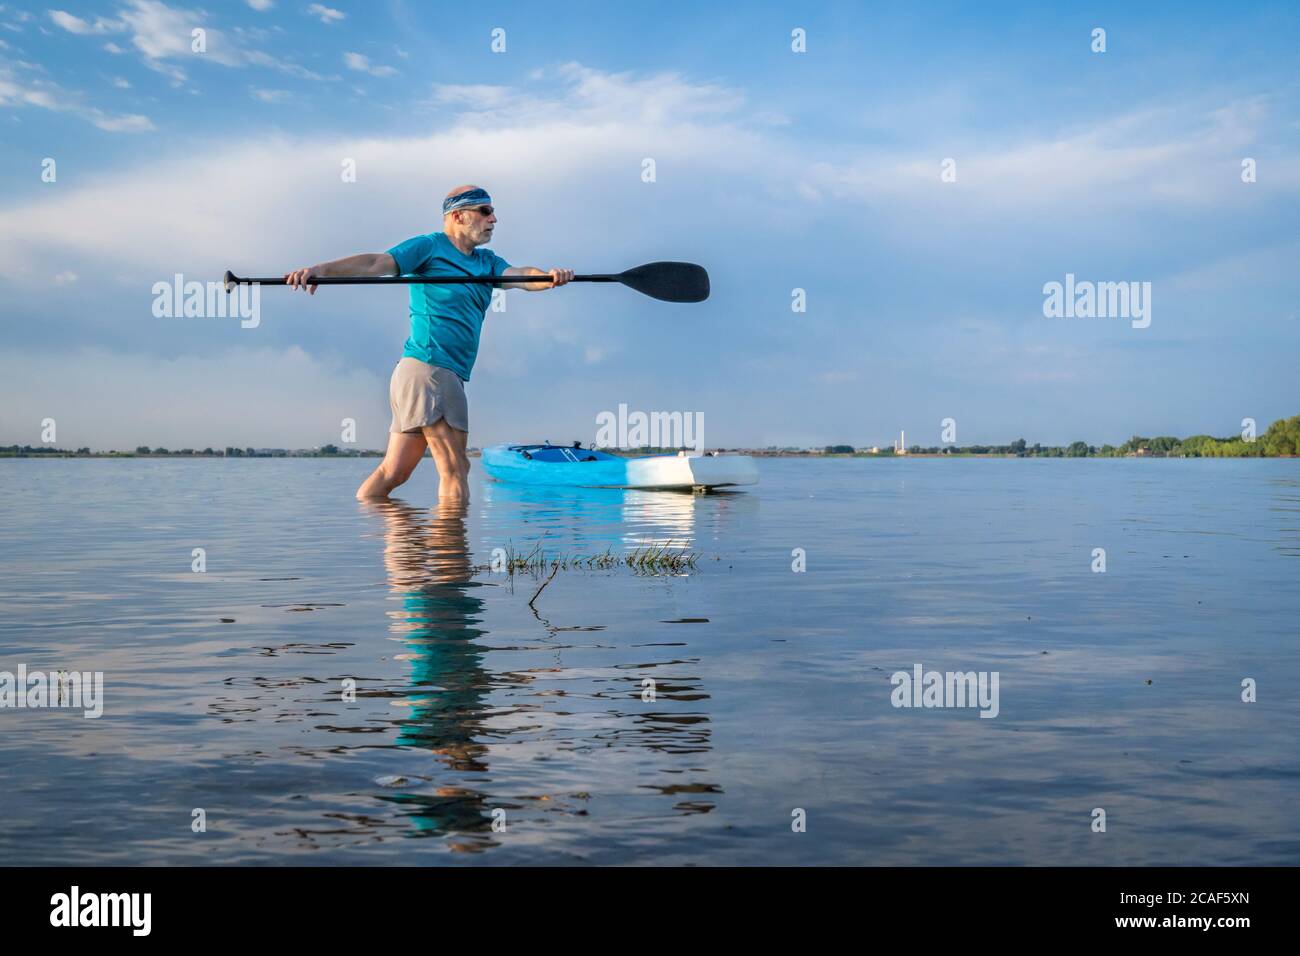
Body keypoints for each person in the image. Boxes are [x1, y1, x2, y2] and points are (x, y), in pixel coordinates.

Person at [285, 185, 573, 501]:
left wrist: (548, 277)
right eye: (485, 211)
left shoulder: (486, 262)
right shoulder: (429, 247)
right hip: (432, 370)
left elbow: (520, 275)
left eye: (493, 212)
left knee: (393, 473)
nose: (494, 219)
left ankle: (382, 541)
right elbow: (374, 264)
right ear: (458, 216)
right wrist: (319, 271)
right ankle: (451, 551)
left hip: (423, 373)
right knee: (455, 469)